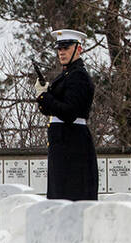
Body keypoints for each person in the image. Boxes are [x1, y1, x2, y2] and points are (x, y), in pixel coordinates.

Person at [35, 29, 98, 200]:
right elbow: (52, 110)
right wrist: (43, 97)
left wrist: (44, 96)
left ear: (79, 49)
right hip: (64, 145)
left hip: (72, 145)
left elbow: (68, 112)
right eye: (59, 48)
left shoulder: (78, 76)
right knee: (59, 196)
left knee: (69, 195)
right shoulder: (66, 75)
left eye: (66, 47)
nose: (61, 52)